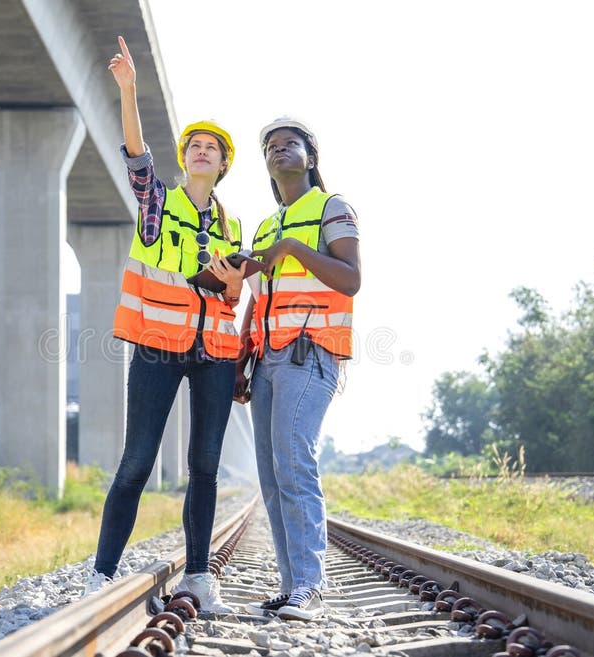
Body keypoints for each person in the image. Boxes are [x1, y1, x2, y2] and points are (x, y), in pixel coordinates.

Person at [82, 36, 246, 613]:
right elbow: (135, 154)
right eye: (195, 146)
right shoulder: (157, 203)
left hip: (216, 357)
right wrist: (129, 89)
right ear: (184, 158)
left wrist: (231, 282)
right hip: (156, 348)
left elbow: (233, 293)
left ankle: (200, 578)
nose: (202, 152)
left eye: (212, 148)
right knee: (137, 462)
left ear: (223, 165)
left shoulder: (233, 226)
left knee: (204, 467)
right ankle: (101, 577)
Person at [236, 117, 361, 621]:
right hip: (266, 358)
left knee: (294, 462)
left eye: (290, 144)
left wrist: (291, 249)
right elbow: (257, 297)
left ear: (311, 157)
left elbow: (351, 279)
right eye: (271, 146)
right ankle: (292, 587)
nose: (279, 150)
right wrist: (242, 360)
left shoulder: (333, 208)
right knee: (270, 474)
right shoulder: (267, 225)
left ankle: (310, 585)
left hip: (309, 352)